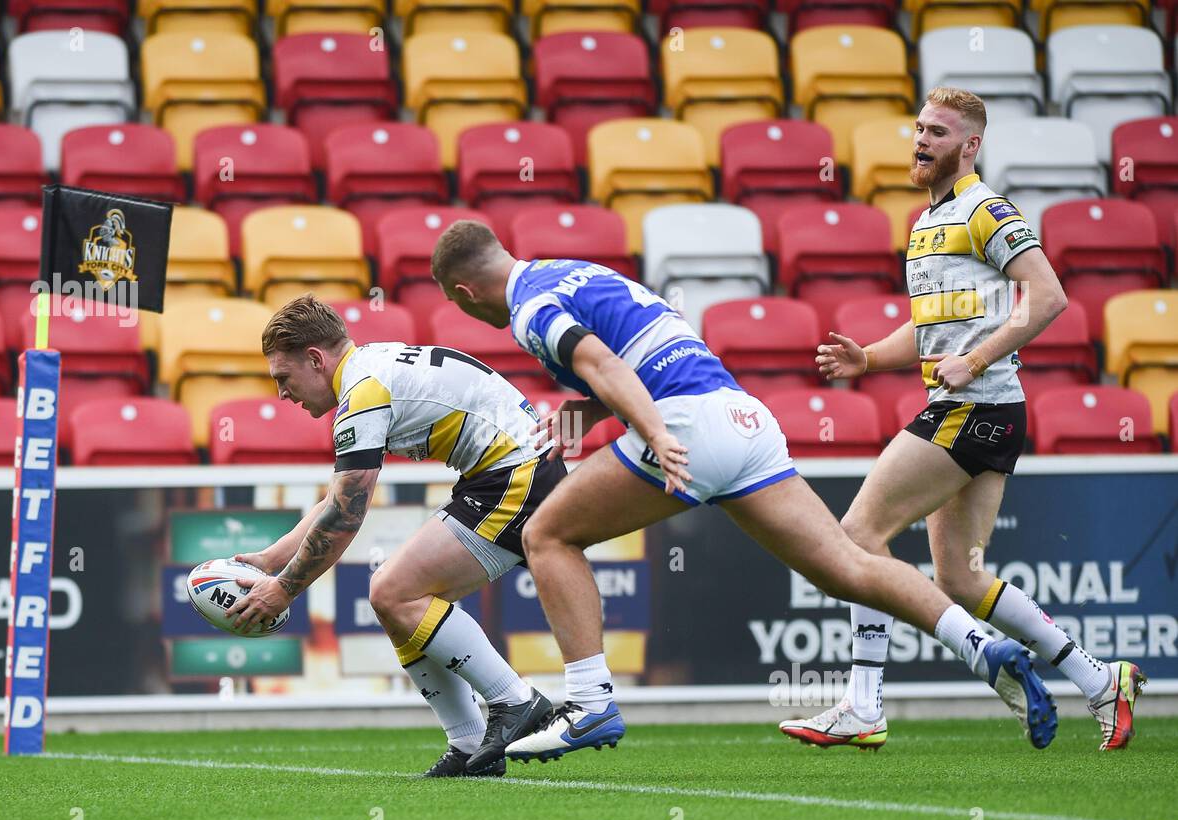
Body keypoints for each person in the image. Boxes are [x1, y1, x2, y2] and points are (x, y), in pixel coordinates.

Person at [430, 220, 1054, 763]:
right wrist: (589, 415)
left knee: (546, 533)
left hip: (684, 424)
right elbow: (647, 346)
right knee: (847, 567)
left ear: (464, 293)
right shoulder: (571, 271)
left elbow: (604, 364)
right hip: (743, 417)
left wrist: (652, 431)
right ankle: (981, 647)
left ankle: (590, 704)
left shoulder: (528, 310)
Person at [778, 87, 1144, 752]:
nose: (921, 141)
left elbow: (1050, 295)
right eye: (919, 128)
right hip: (987, 412)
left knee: (858, 532)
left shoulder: (985, 209)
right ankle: (1099, 678)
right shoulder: (926, 221)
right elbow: (926, 330)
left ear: (970, 146)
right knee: (961, 576)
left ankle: (864, 702)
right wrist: (866, 357)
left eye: (938, 132)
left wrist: (974, 359)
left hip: (974, 407)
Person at [226, 293, 555, 776]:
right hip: (509, 473)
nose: (283, 395)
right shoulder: (367, 373)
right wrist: (272, 559)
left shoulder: (363, 391)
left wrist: (283, 590)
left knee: (392, 592)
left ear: (315, 359)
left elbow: (345, 516)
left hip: (516, 475)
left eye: (284, 378)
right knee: (396, 599)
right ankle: (467, 746)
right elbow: (338, 500)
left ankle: (516, 702)